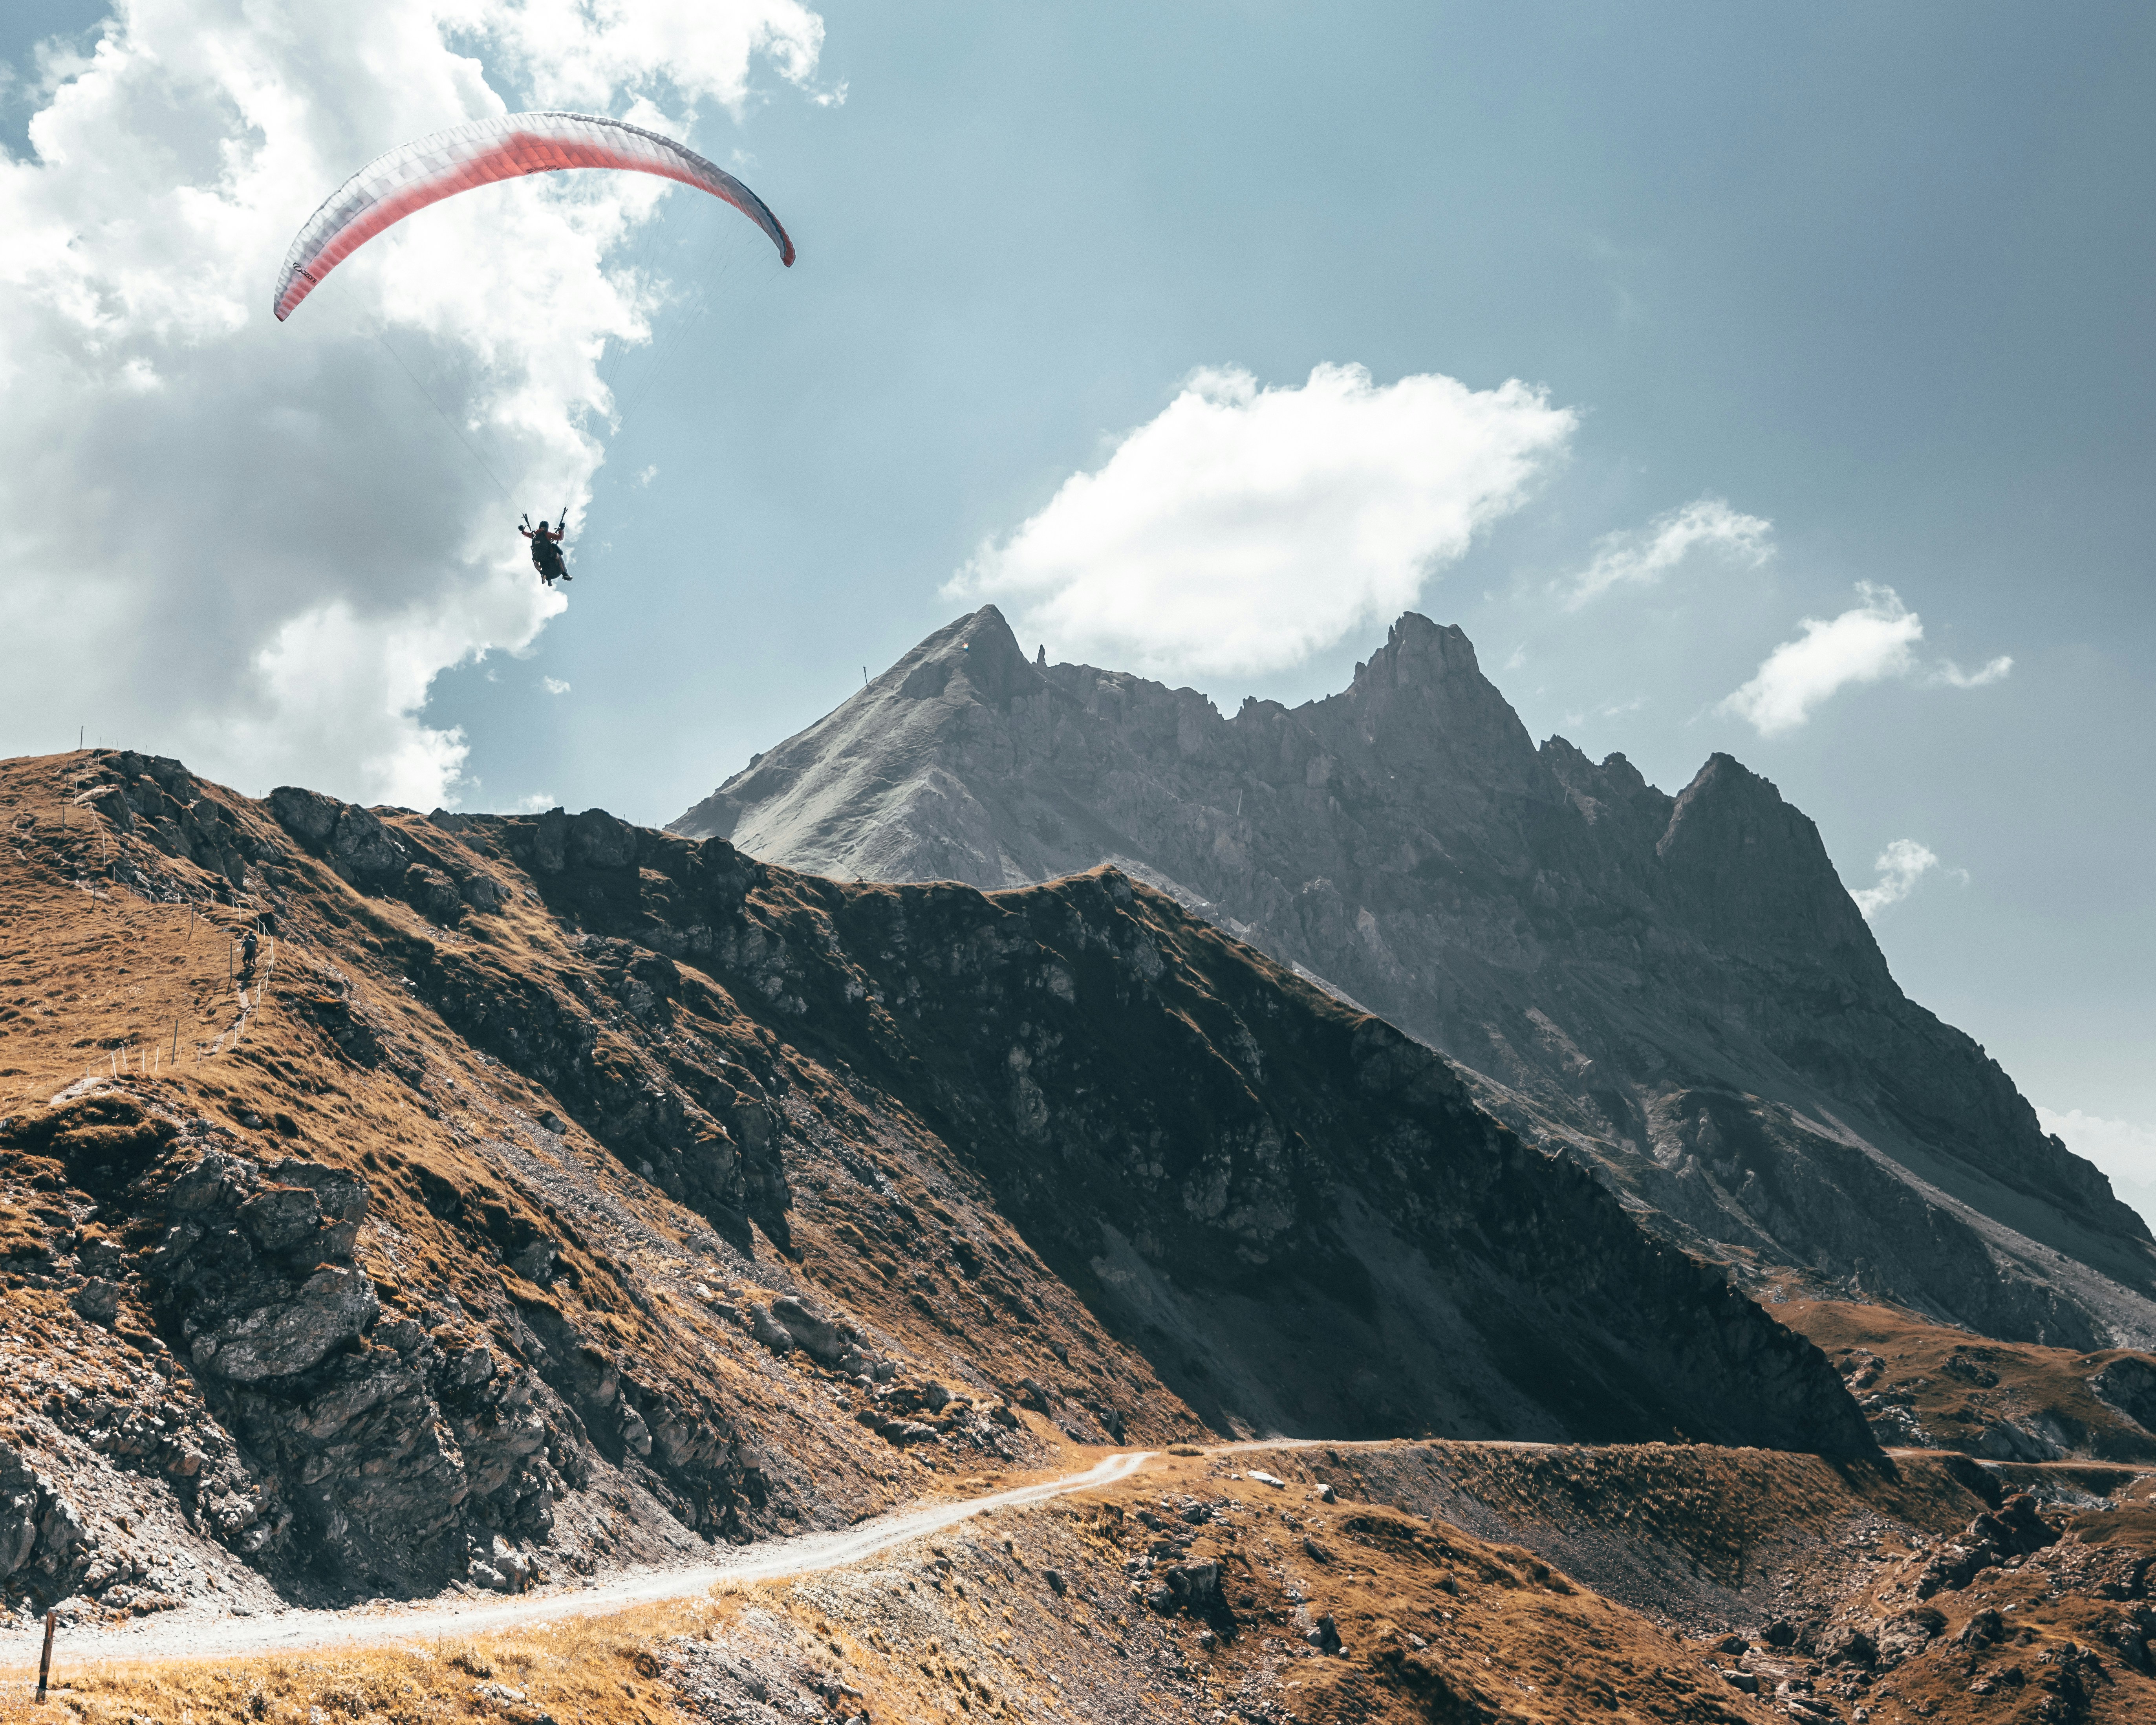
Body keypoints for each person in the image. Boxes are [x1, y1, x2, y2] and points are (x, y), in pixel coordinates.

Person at [520, 517, 570, 586]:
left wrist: (522, 530)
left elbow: (526, 534)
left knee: (535, 563)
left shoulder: (534, 535)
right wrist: (562, 529)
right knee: (559, 557)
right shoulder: (547, 534)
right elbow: (560, 538)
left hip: (539, 558)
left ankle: (542, 573)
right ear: (547, 527)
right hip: (549, 555)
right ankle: (565, 574)